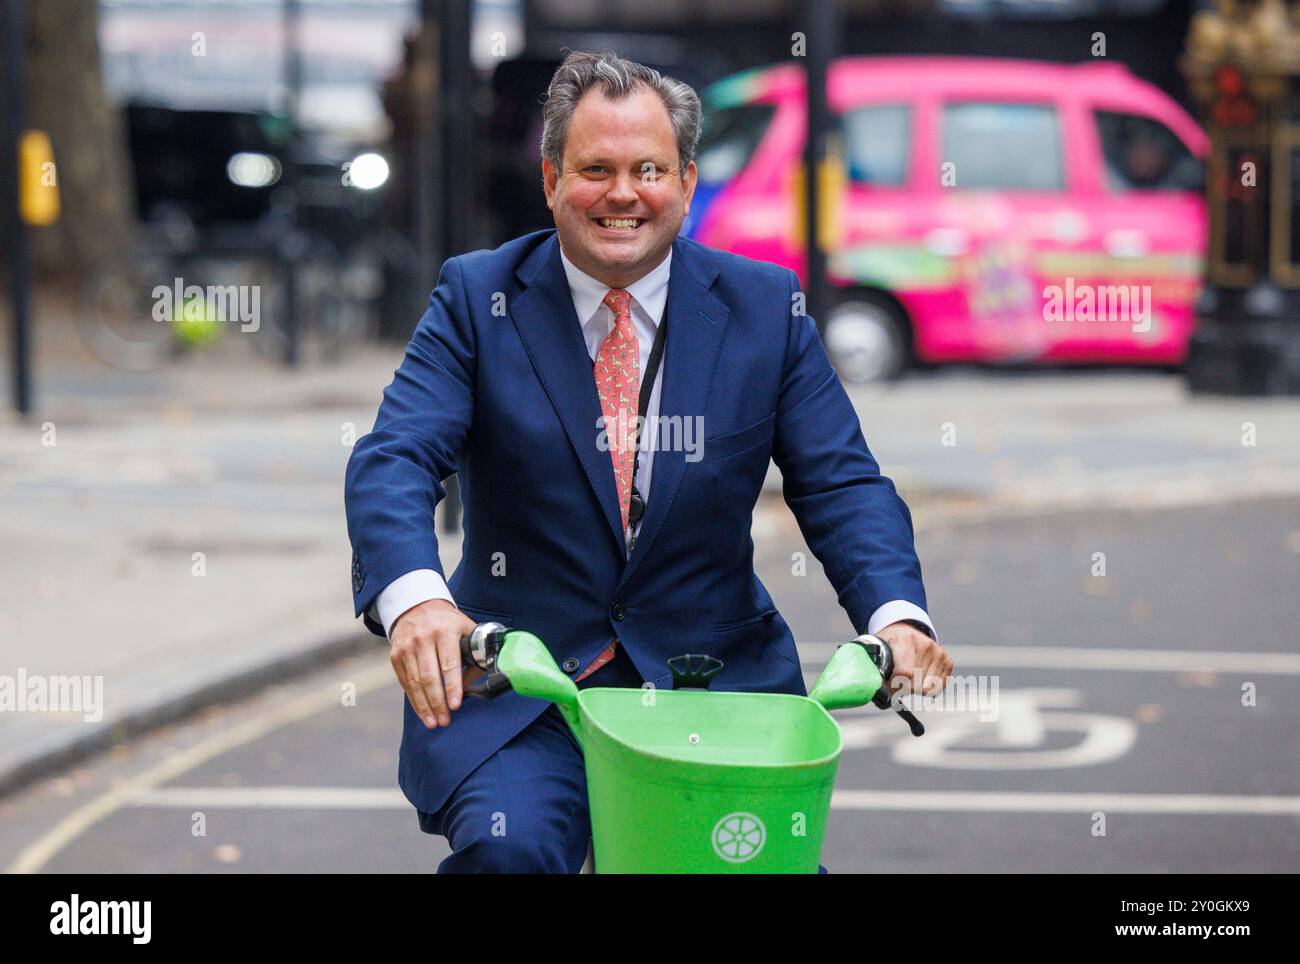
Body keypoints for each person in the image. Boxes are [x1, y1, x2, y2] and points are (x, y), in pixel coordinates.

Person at [344, 50, 953, 873]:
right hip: (526, 694)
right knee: (512, 852)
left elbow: (841, 482)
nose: (623, 194)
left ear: (688, 182)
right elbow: (395, 456)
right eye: (596, 168)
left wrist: (897, 618)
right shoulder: (475, 297)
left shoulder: (766, 310)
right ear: (552, 178)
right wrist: (416, 601)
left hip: (718, 692)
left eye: (649, 169)